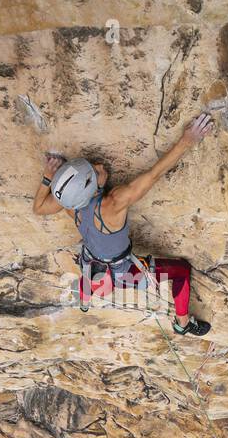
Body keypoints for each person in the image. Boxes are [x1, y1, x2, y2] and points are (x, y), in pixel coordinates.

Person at [31, 113, 215, 336]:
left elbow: (39, 207)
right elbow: (154, 174)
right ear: (90, 188)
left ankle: (86, 297)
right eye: (94, 170)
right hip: (124, 272)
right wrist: (188, 140)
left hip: (91, 262)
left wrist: (47, 177)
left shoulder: (71, 205)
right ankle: (182, 324)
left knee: (90, 276)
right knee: (181, 271)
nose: (98, 165)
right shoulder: (113, 204)